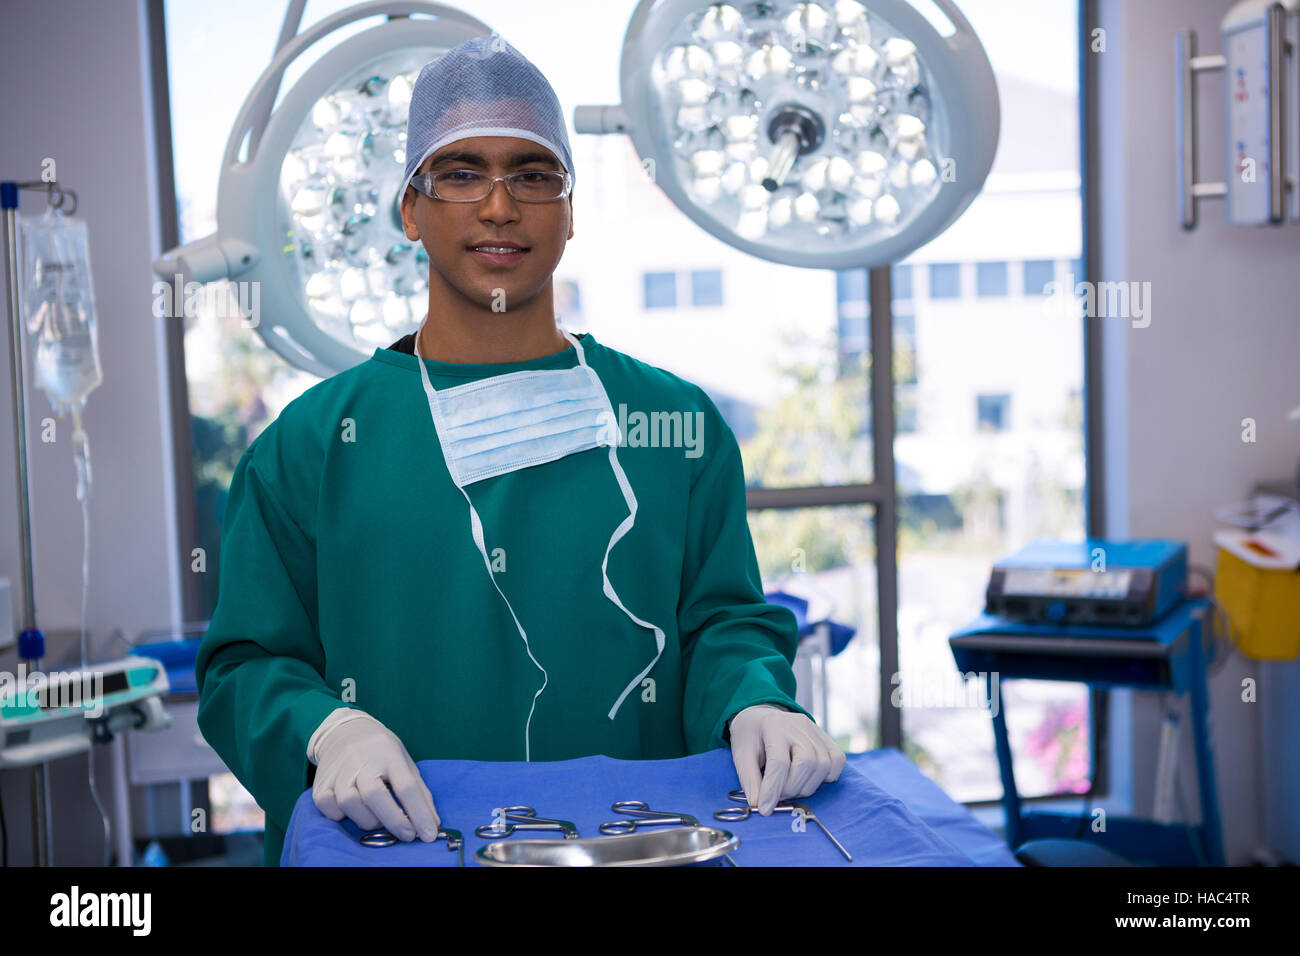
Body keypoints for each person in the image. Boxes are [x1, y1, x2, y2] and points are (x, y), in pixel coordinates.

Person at [196, 34, 844, 867]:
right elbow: (245, 664)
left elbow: (722, 620)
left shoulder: (674, 426)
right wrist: (330, 728)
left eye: (534, 176)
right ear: (409, 209)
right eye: (461, 173)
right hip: (404, 849)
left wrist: (757, 700)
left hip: (644, 847)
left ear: (569, 212)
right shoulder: (309, 447)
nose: (500, 208)